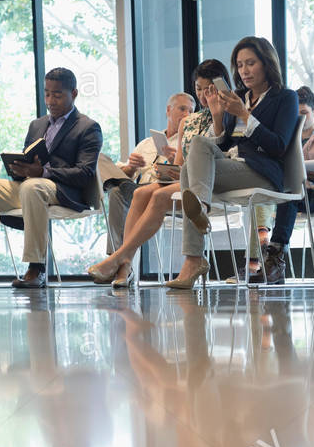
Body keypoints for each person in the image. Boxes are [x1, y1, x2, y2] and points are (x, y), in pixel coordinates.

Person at [0, 67, 103, 291]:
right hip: (29, 186)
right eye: (47, 93)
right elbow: (30, 159)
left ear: (74, 93)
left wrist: (44, 173)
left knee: (33, 186)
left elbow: (84, 173)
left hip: (62, 191)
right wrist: (20, 168)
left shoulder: (88, 127)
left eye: (57, 95)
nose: (50, 100)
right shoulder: (37, 125)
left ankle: (36, 269)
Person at [168, 36, 299, 290]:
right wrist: (219, 116)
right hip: (231, 166)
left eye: (251, 63)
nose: (244, 71)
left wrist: (244, 115)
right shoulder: (238, 96)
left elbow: (279, 146)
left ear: (266, 63)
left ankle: (194, 257)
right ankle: (201, 212)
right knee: (196, 148)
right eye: (239, 65)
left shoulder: (285, 98)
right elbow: (222, 145)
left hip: (261, 171)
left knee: (187, 173)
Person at [87, 59, 230, 287]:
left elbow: (221, 150)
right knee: (140, 194)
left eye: (208, 89)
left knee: (157, 196)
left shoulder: (228, 112)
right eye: (199, 89)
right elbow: (182, 166)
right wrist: (172, 169)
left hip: (210, 180)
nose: (203, 95)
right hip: (181, 179)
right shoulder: (189, 123)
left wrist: (217, 114)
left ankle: (119, 258)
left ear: (220, 87)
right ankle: (124, 265)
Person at [258, 86, 314, 284]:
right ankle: (274, 258)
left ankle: (275, 258)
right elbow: (295, 168)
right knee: (291, 192)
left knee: (293, 194)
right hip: (310, 192)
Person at [105, 91, 195, 249]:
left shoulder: (190, 144)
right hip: (138, 191)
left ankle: (118, 262)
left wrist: (176, 163)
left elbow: (190, 178)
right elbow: (129, 174)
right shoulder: (147, 143)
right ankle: (117, 259)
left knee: (117, 190)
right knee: (105, 168)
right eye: (182, 109)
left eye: (191, 111)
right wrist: (131, 167)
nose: (187, 114)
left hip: (164, 194)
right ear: (168, 110)